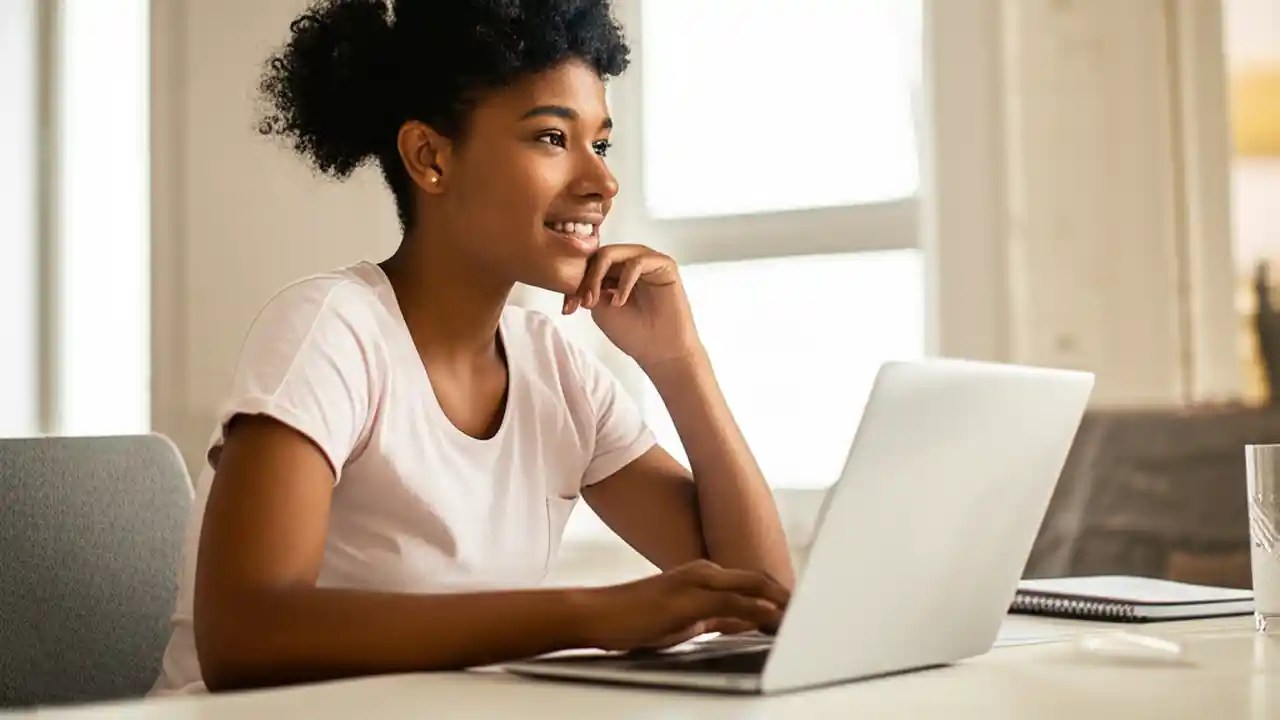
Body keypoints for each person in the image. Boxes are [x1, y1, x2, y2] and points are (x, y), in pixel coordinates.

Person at [153, 0, 794, 694]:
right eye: (553, 138)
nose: (602, 182)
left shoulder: (556, 369)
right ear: (430, 157)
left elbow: (759, 603)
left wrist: (679, 361)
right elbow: (245, 636)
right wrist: (592, 614)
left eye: (600, 144)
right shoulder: (332, 333)